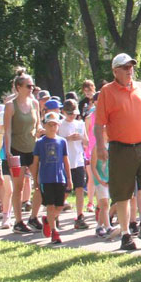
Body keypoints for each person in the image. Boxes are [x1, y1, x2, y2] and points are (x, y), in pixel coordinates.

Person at [94, 52, 141, 251]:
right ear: (115, 71)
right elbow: (99, 124)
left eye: (131, 66)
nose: (129, 70)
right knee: (123, 194)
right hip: (120, 147)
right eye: (124, 67)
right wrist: (100, 147)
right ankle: (125, 234)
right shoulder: (107, 92)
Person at [3, 69, 43, 233]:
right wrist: (8, 151)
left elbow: (38, 124)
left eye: (32, 86)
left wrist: (43, 130)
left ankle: (34, 217)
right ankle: (18, 221)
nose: (31, 88)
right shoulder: (10, 106)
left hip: (32, 149)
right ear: (19, 87)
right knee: (18, 187)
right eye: (28, 86)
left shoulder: (34, 103)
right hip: (17, 150)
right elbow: (7, 130)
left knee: (39, 184)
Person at [34, 112, 71, 244]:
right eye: (49, 125)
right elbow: (36, 162)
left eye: (55, 125)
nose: (52, 127)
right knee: (50, 205)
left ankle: (48, 220)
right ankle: (54, 232)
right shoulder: (40, 143)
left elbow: (66, 161)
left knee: (59, 206)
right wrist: (35, 179)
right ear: (45, 125)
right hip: (46, 178)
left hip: (59, 178)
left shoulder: (62, 141)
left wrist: (69, 179)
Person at [58, 98, 89, 230]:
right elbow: (57, 142)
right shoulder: (60, 125)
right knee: (65, 189)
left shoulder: (80, 124)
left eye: (74, 113)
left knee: (80, 188)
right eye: (69, 113)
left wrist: (81, 138)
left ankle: (80, 215)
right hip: (65, 162)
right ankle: (55, 214)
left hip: (78, 160)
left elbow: (86, 141)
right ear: (64, 112)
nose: (72, 116)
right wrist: (68, 139)